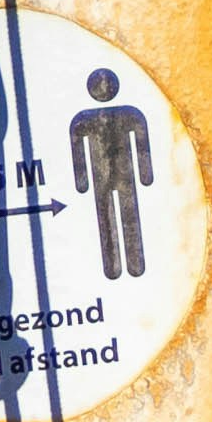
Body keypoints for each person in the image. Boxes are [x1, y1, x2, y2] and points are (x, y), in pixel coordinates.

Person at [70, 66, 152, 278]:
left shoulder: (125, 115)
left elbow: (141, 143)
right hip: (107, 180)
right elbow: (78, 149)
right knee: (109, 218)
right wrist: (82, 181)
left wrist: (145, 174)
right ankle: (117, 268)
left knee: (122, 215)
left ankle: (131, 266)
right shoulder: (123, 115)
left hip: (118, 178)